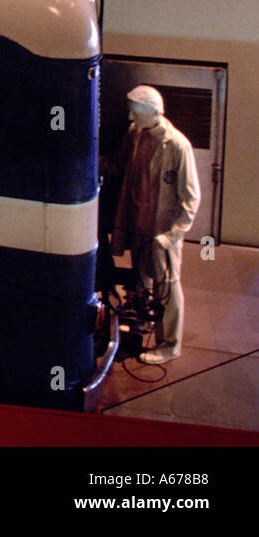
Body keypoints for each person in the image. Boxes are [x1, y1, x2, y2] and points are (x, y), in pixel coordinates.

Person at [109, 85, 200, 364]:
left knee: (167, 286)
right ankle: (143, 325)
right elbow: (118, 165)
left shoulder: (177, 145)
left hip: (162, 231)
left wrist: (173, 235)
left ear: (152, 110)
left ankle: (169, 344)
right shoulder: (136, 134)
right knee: (140, 278)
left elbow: (191, 198)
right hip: (138, 222)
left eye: (135, 110)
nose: (131, 114)